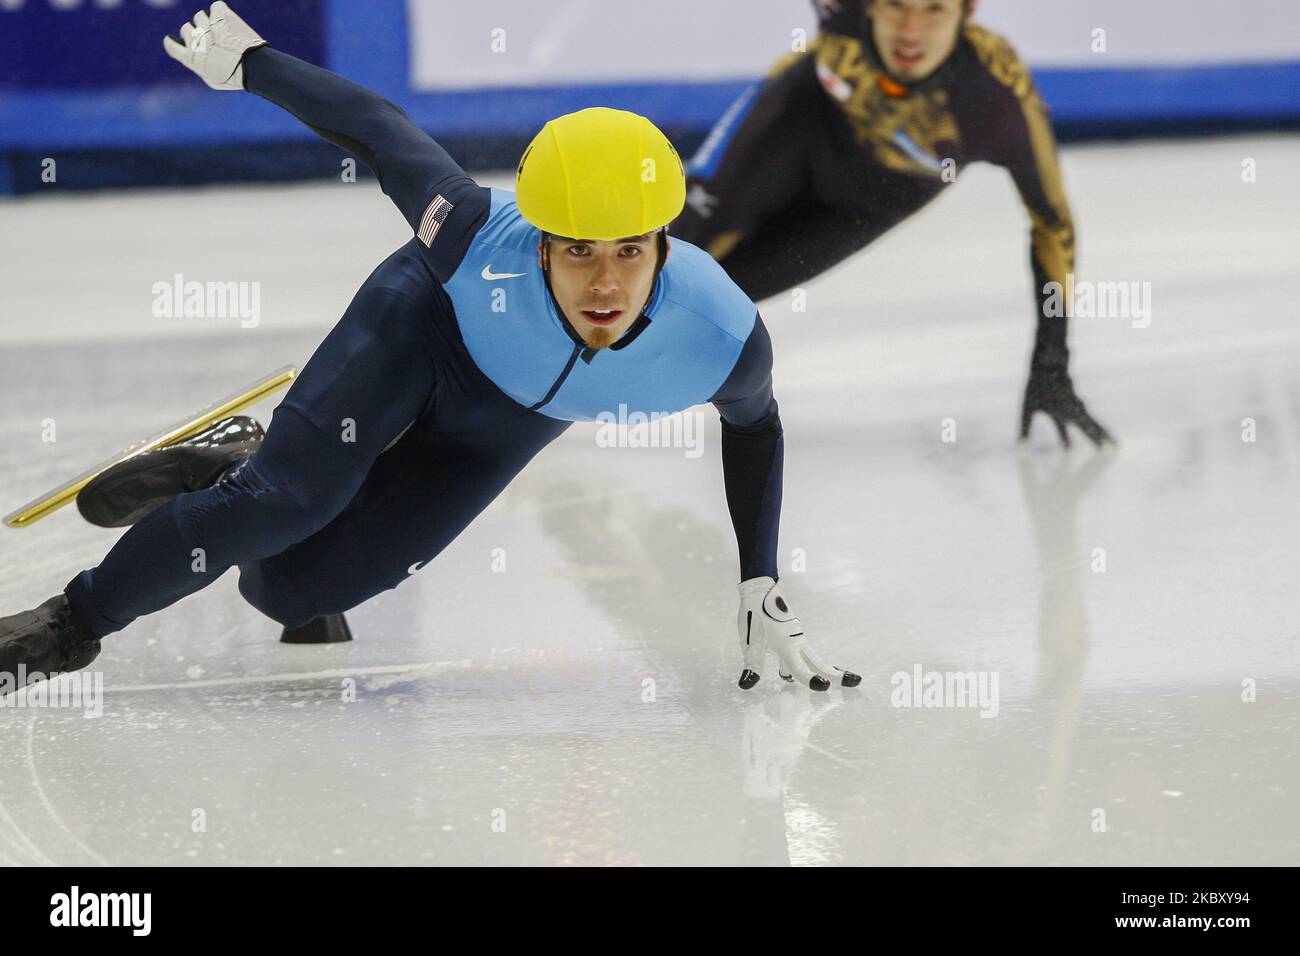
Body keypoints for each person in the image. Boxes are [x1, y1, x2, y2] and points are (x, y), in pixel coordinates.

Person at [0, 3, 859, 693]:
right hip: (420, 328)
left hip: (511, 418)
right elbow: (381, 131)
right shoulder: (476, 237)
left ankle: (235, 463)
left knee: (294, 591)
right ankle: (70, 626)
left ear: (665, 245)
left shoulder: (719, 334)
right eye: (578, 252)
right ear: (541, 244)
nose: (605, 284)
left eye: (630, 251)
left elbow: (756, 428)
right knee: (283, 503)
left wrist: (758, 576)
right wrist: (254, 63)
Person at [673, 0, 1114, 448]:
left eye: (934, 10)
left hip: (871, 201)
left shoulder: (996, 96)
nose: (910, 30)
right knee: (663, 251)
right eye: (895, 6)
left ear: (968, 12)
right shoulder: (843, 15)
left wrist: (1051, 361)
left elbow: (1052, 223)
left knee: (714, 298)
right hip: (798, 119)